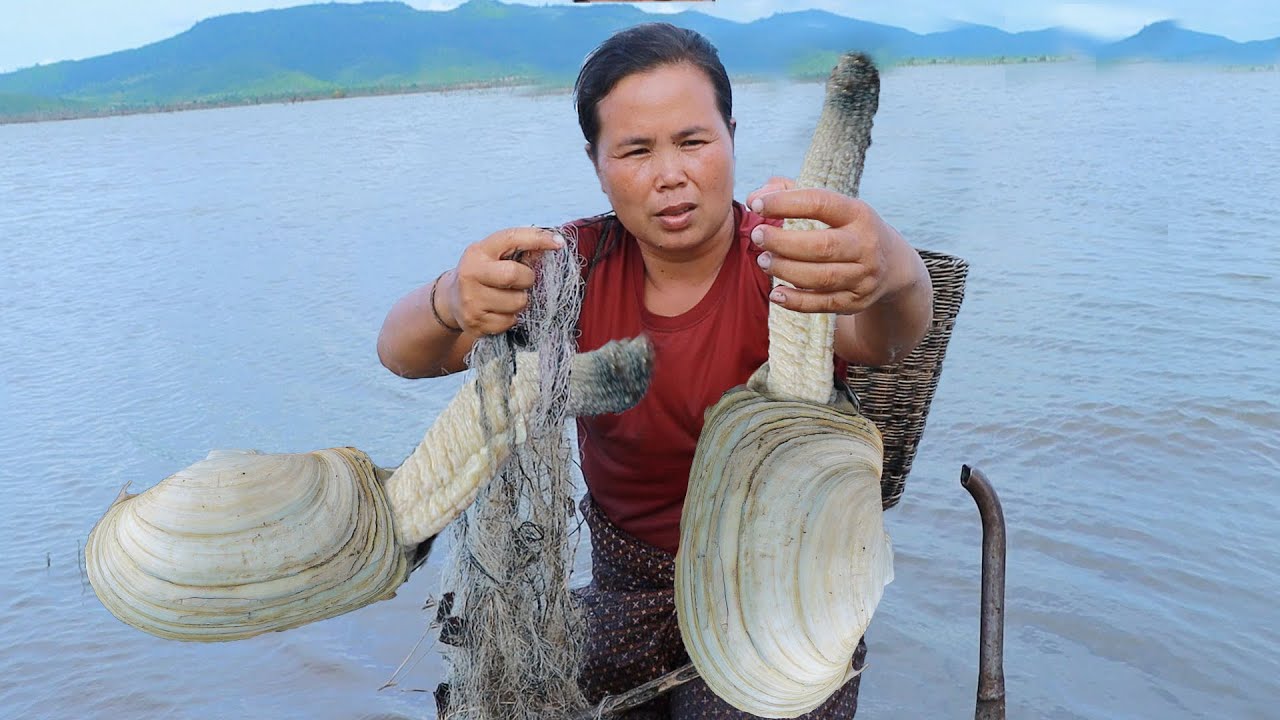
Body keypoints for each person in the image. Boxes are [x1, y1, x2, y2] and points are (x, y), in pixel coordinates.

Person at [378, 22, 933, 720]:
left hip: (783, 589)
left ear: (731, 134)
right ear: (597, 162)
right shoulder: (569, 271)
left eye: (694, 141)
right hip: (626, 588)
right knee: (494, 697)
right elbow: (403, 354)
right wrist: (451, 300)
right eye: (636, 150)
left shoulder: (788, 257)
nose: (670, 174)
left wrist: (895, 267)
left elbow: (887, 338)